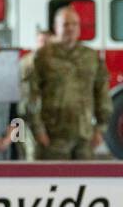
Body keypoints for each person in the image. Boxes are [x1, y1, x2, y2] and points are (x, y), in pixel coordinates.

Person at [26, 8, 111, 160]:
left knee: (85, 175)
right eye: (65, 24)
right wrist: (38, 130)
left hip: (84, 135)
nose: (70, 28)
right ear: (56, 27)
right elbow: (30, 96)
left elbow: (102, 93)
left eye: (75, 24)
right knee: (53, 174)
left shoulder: (91, 57)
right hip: (52, 136)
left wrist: (101, 128)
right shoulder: (42, 57)